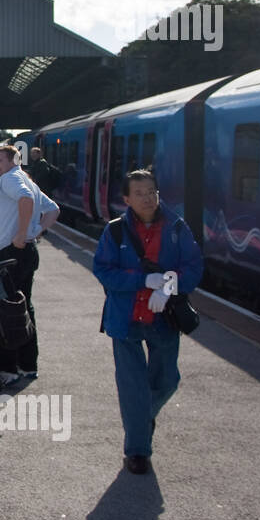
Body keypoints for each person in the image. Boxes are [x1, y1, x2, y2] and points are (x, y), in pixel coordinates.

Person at [92, 169, 203, 475]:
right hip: (125, 319)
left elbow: (194, 266)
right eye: (139, 193)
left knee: (168, 380)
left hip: (164, 317)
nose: (147, 198)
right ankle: (137, 451)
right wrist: (144, 280)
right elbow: (103, 270)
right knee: (132, 387)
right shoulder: (115, 231)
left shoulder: (177, 228)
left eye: (152, 191)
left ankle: (142, 418)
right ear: (126, 199)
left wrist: (169, 286)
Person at [0, 143, 59, 383]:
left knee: (7, 309)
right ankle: (27, 364)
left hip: (12, 252)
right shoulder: (27, 179)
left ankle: (7, 367)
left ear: (13, 161)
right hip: (27, 251)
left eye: (0, 160)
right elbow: (54, 210)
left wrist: (21, 233)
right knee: (24, 307)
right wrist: (35, 230)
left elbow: (26, 199)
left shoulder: (10, 179)